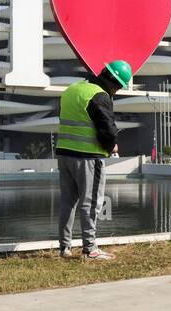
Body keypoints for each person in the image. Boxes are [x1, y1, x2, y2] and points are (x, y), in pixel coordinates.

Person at [56, 59, 131, 260]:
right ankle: (90, 249)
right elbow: (107, 129)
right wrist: (112, 145)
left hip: (64, 153)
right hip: (88, 157)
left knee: (67, 202)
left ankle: (64, 248)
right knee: (91, 202)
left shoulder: (72, 89)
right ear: (115, 84)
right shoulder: (100, 96)